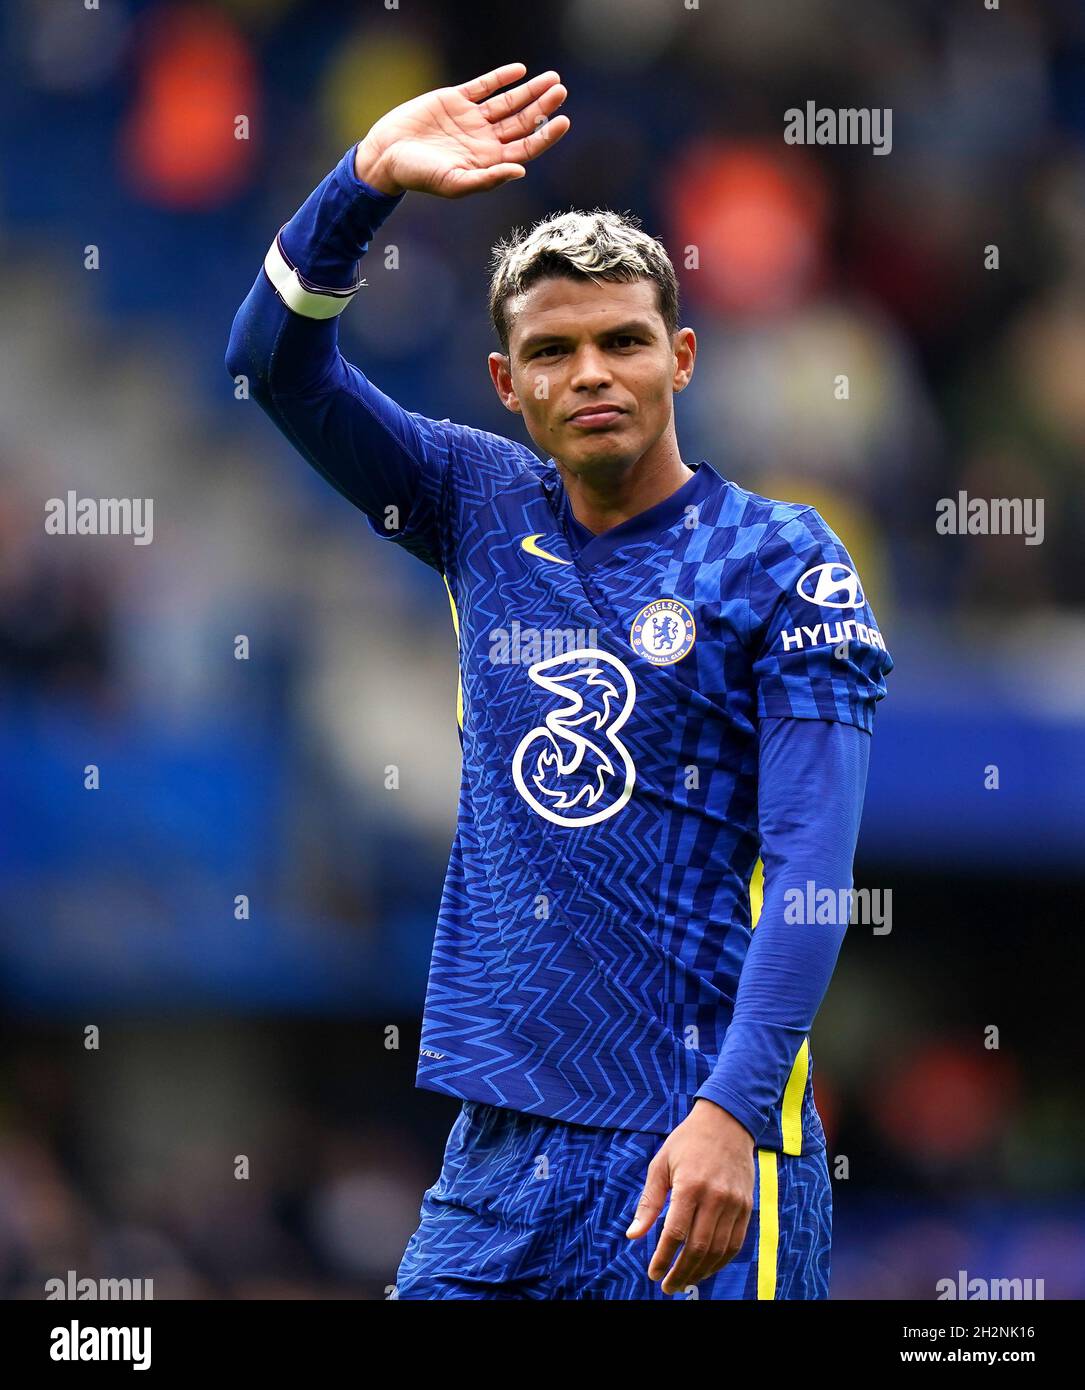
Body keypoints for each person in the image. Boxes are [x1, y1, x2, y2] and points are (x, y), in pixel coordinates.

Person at [225, 62, 893, 1300]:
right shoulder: (473, 501)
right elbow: (272, 366)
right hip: (494, 1156)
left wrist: (733, 1114)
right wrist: (362, 181)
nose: (591, 371)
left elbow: (810, 871)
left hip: (692, 1146)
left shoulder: (781, 559)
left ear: (680, 356)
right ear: (504, 382)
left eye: (622, 340)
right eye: (553, 349)